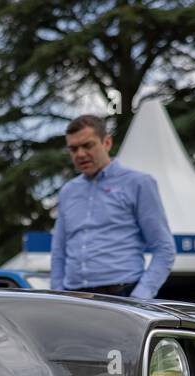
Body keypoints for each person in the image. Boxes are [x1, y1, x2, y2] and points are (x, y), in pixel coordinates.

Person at [51, 114, 175, 299]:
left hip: (122, 295)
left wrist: (140, 297)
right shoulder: (68, 191)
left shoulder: (139, 183)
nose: (80, 154)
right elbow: (58, 251)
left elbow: (164, 248)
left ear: (107, 142)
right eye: (73, 149)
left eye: (87, 145)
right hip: (73, 298)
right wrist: (58, 295)